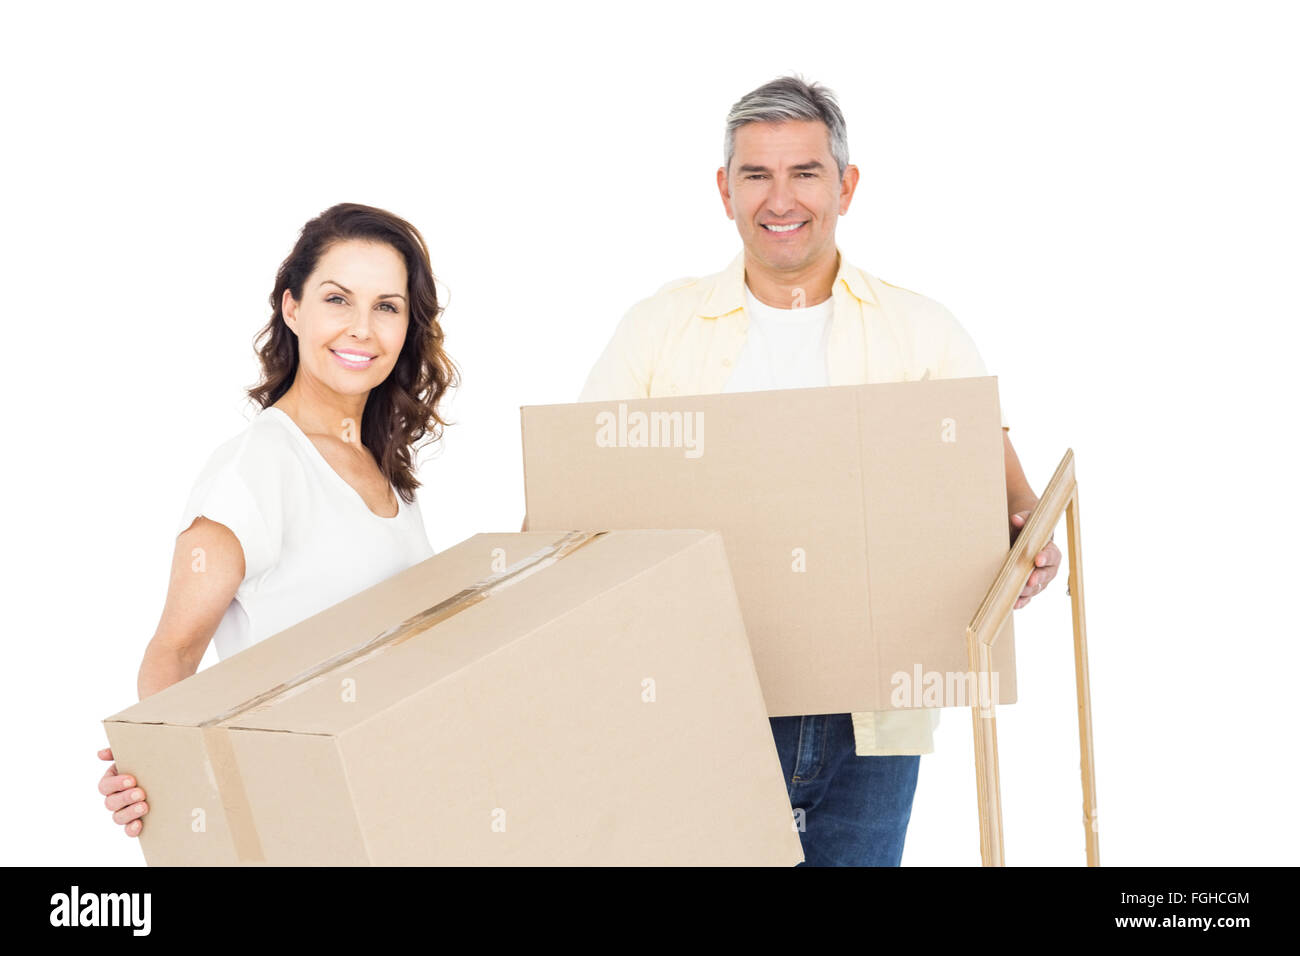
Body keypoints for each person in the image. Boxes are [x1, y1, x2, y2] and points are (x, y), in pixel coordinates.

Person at [574, 76, 1062, 865]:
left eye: (804, 172)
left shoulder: (921, 332)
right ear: (724, 189)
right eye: (756, 174)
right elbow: (582, 499)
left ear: (846, 184)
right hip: (707, 706)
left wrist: (1026, 548)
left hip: (875, 718)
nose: (780, 199)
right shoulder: (659, 331)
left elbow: (1010, 498)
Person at [97, 202, 458, 839]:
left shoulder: (382, 466)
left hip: (401, 802)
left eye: (387, 306)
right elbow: (174, 654)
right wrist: (162, 782)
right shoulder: (254, 470)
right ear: (292, 309)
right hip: (302, 816)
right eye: (338, 299)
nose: (362, 329)